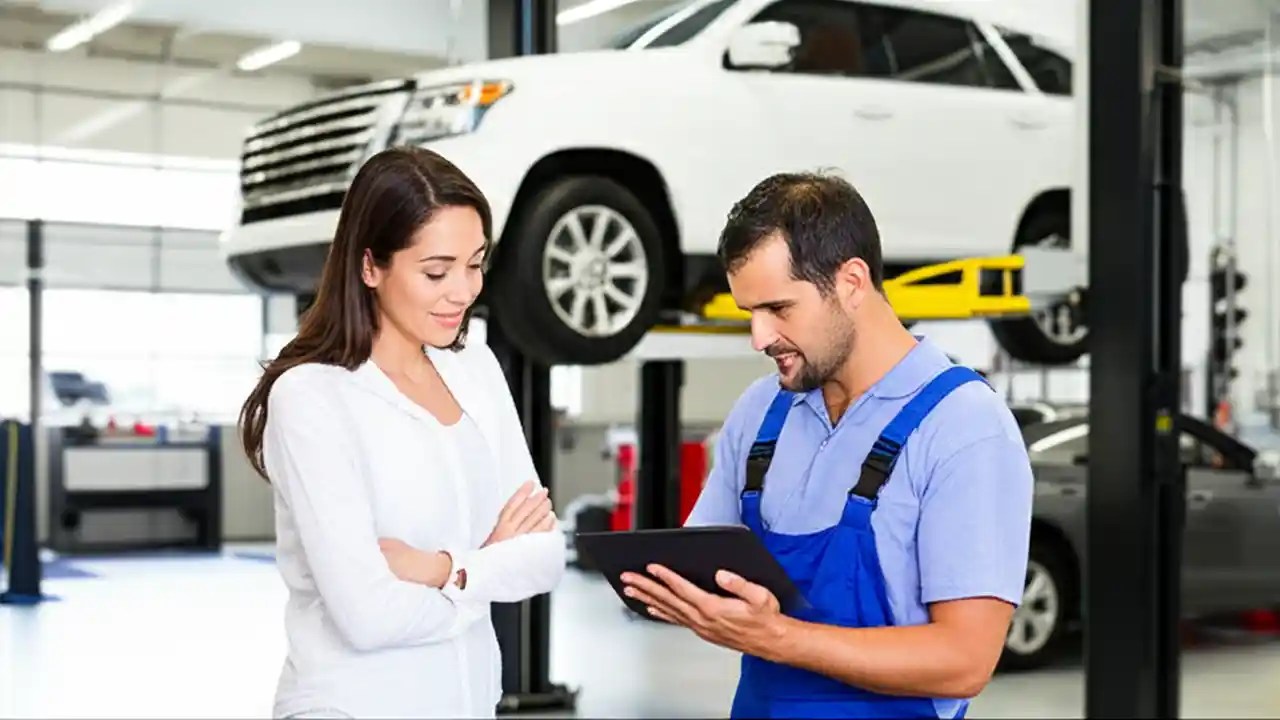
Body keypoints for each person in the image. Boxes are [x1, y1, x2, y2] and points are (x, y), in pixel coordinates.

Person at [620, 172, 1034, 719]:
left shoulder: (964, 428)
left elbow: (964, 660)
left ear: (852, 283)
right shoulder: (761, 412)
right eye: (751, 314)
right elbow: (704, 558)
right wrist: (675, 591)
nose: (759, 338)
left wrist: (780, 637)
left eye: (779, 309)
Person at [238, 147, 565, 719]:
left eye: (476, 264)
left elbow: (544, 555)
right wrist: (487, 568)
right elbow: (366, 617)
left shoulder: (476, 369)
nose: (463, 291)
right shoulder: (314, 396)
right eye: (436, 271)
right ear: (370, 267)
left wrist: (442, 568)